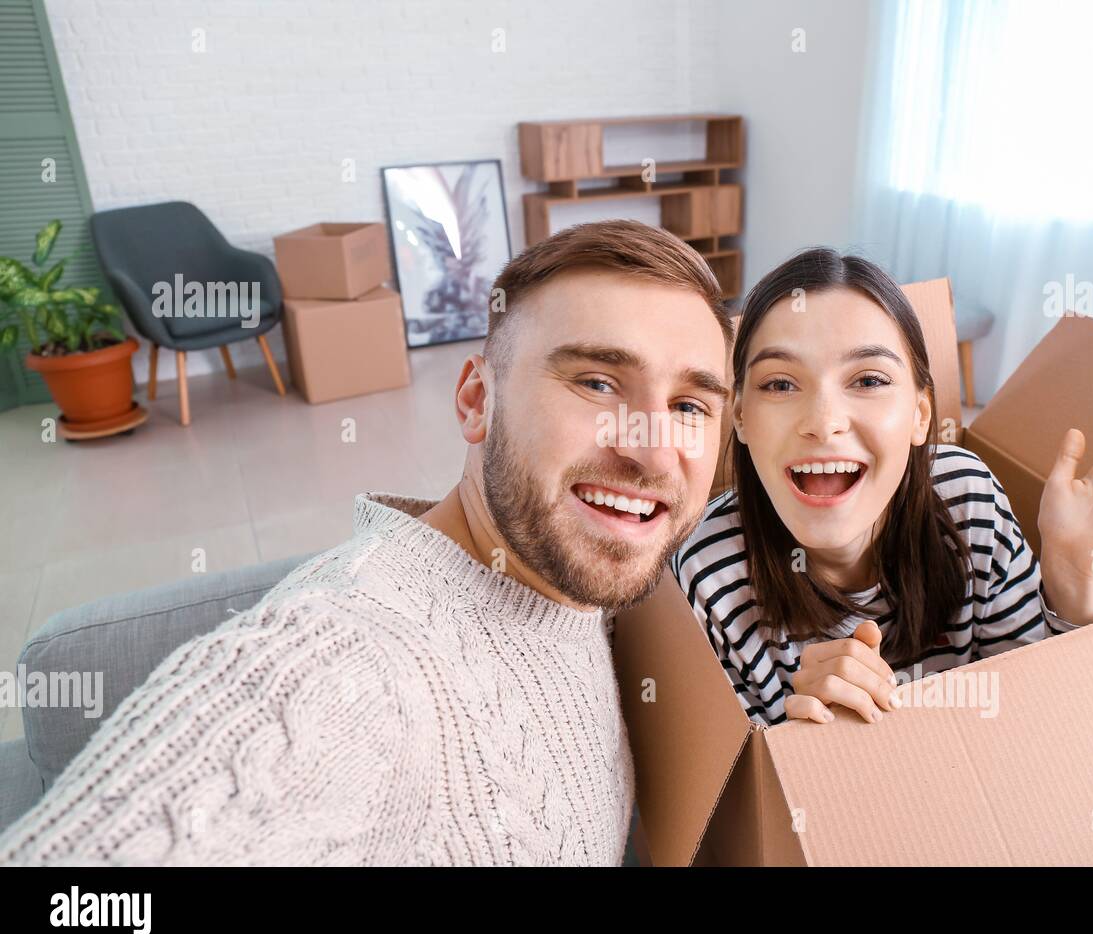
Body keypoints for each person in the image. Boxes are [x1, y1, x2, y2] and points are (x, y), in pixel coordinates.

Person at [0, 219, 733, 865]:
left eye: (690, 404)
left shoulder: (574, 566)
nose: (656, 452)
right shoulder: (346, 666)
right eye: (599, 383)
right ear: (477, 399)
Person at [674, 249, 1093, 726]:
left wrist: (1074, 580)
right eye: (781, 384)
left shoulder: (965, 495)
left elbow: (1039, 712)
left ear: (919, 414)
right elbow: (740, 804)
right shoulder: (705, 571)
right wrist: (804, 737)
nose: (823, 421)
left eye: (868, 380)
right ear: (740, 416)